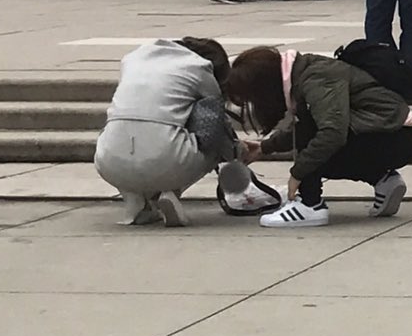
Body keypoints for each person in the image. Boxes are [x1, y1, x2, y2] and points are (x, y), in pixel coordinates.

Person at [224, 44, 412, 229]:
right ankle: (383, 179)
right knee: (310, 132)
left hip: (392, 137)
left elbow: (331, 132)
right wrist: (265, 147)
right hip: (394, 135)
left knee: (314, 139)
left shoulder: (315, 79)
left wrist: (298, 174)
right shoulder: (305, 72)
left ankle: (310, 205)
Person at [95, 36, 282, 225]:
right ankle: (171, 192)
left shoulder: (133, 59)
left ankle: (137, 204)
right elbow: (212, 128)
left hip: (108, 161)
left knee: (127, 130)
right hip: (168, 158)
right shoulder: (201, 69)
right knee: (208, 142)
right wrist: (236, 150)